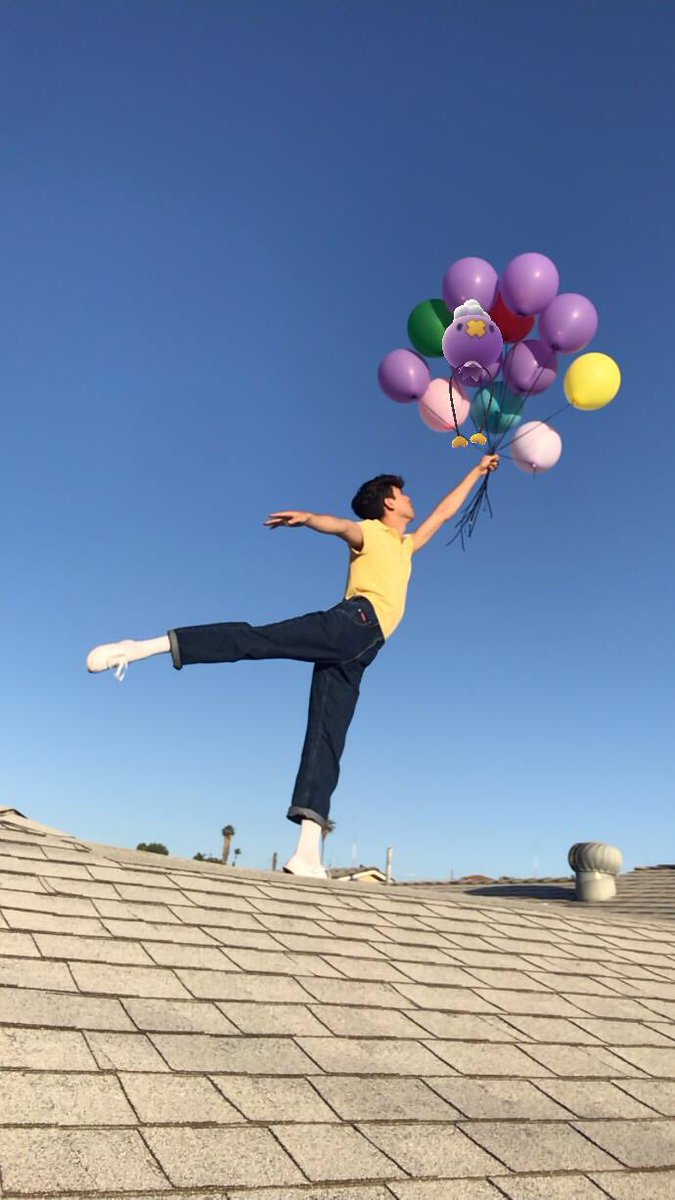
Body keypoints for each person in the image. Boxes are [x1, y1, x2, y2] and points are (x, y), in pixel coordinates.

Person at [87, 454, 499, 878]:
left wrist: (477, 470)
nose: (411, 498)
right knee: (256, 639)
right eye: (404, 493)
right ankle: (141, 647)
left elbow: (446, 511)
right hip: (352, 624)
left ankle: (306, 853)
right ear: (389, 504)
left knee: (327, 738)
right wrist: (308, 519)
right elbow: (340, 526)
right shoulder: (371, 532)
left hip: (361, 650)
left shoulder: (406, 545)